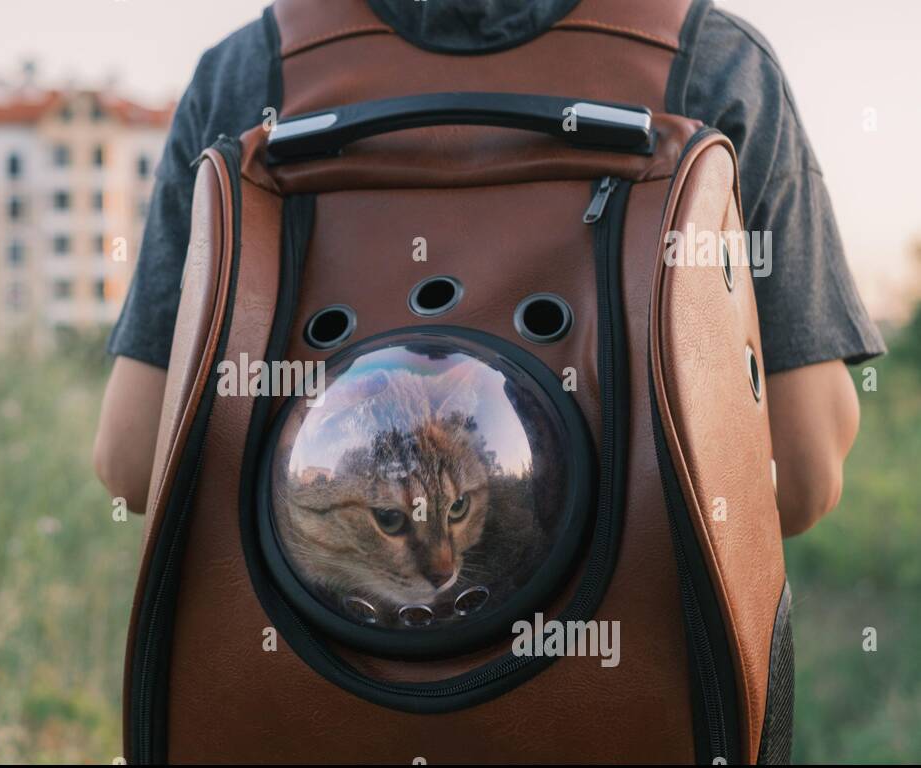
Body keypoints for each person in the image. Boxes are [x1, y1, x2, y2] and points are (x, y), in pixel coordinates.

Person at [94, 0, 884, 537]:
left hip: (310, 698)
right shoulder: (712, 65)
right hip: (626, 709)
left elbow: (132, 462)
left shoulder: (248, 75)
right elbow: (807, 470)